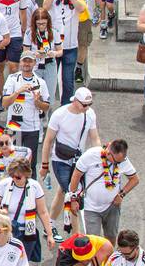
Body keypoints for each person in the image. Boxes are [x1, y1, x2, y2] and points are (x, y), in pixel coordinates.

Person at [41, 86, 100, 233]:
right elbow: (48, 141)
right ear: (75, 101)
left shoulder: (90, 114)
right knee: (73, 195)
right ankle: (77, 236)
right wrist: (44, 165)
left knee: (63, 191)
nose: (87, 108)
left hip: (79, 160)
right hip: (60, 160)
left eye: (89, 105)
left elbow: (95, 138)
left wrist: (99, 158)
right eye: (84, 105)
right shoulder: (59, 114)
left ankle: (49, 224)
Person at [67, 139, 138, 240]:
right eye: (117, 161)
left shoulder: (122, 160)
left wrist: (121, 194)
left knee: (111, 238)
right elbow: (76, 176)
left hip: (112, 207)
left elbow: (134, 179)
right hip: (91, 207)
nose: (119, 163)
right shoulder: (90, 155)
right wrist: (73, 199)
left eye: (121, 161)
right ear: (109, 153)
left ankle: (108, 256)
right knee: (93, 241)